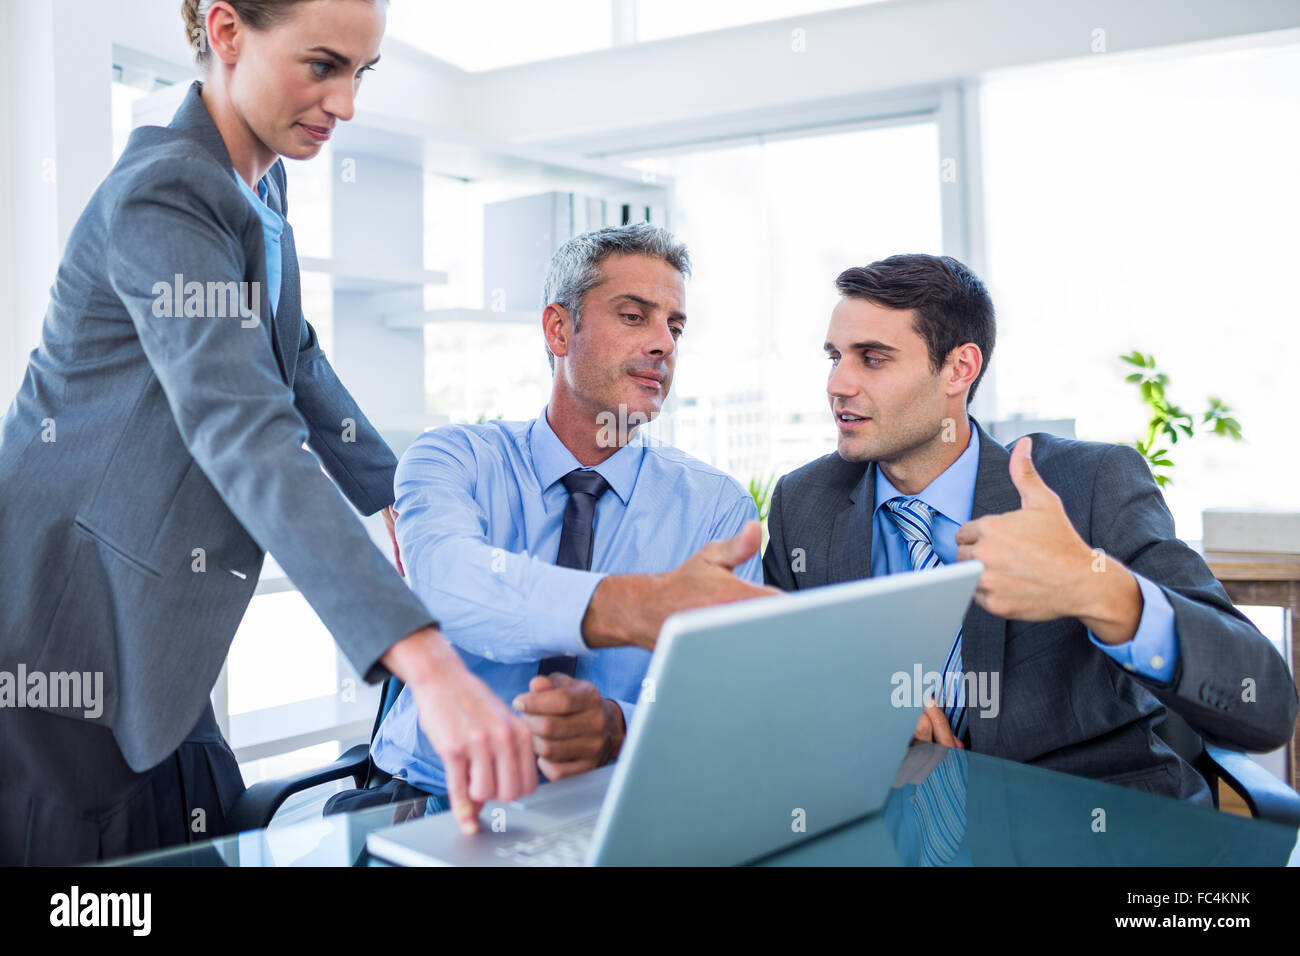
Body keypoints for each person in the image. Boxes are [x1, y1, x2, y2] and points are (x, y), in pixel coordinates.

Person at [0, 0, 534, 864]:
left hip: (157, 634)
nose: (347, 104)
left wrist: (395, 494)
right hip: (62, 627)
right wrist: (425, 662)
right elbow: (243, 423)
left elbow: (296, 355)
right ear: (225, 30)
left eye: (361, 73)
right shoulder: (164, 192)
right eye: (322, 66)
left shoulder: (261, 182)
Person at [762, 253, 1298, 803]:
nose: (838, 384)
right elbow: (774, 677)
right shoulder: (804, 504)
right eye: (834, 357)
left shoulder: (1085, 485)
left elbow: (1266, 707)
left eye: (872, 359)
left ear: (959, 369)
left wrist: (1102, 591)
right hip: (887, 825)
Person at [336, 223, 771, 816]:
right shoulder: (452, 459)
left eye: (674, 326)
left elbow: (730, 700)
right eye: (633, 315)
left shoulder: (716, 507)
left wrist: (621, 728)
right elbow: (445, 585)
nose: (664, 344)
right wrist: (628, 606)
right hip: (431, 801)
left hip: (616, 810)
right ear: (559, 329)